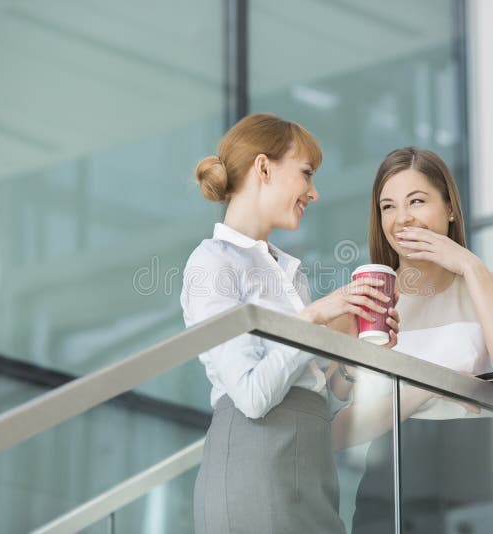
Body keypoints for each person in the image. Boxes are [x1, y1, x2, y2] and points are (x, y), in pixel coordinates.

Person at [180, 113, 400, 534]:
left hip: (310, 463)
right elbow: (251, 394)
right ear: (263, 168)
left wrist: (354, 358)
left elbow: (317, 395)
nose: (313, 193)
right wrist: (315, 316)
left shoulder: (288, 274)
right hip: (257, 462)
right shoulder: (212, 262)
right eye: (306, 174)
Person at [350, 147, 493, 534]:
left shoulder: (492, 284)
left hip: (474, 469)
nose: (402, 218)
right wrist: (435, 385)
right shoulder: (369, 300)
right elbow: (345, 429)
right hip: (390, 475)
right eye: (388, 207)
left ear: (450, 208)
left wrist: (469, 265)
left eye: (416, 201)